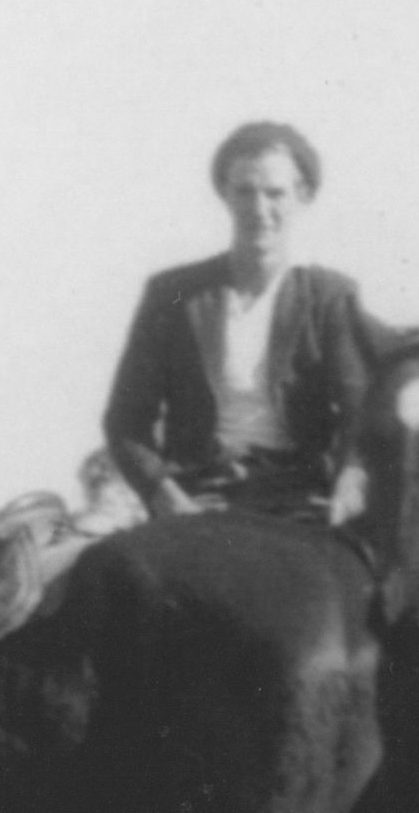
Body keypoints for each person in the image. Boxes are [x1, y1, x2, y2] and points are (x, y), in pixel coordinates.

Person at [100, 121, 386, 521]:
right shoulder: (173, 294)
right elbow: (126, 420)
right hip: (196, 501)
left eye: (275, 193)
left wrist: (349, 481)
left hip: (301, 502)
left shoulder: (330, 297)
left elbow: (362, 413)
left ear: (302, 196)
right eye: (245, 191)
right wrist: (164, 495)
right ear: (224, 194)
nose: (259, 210)